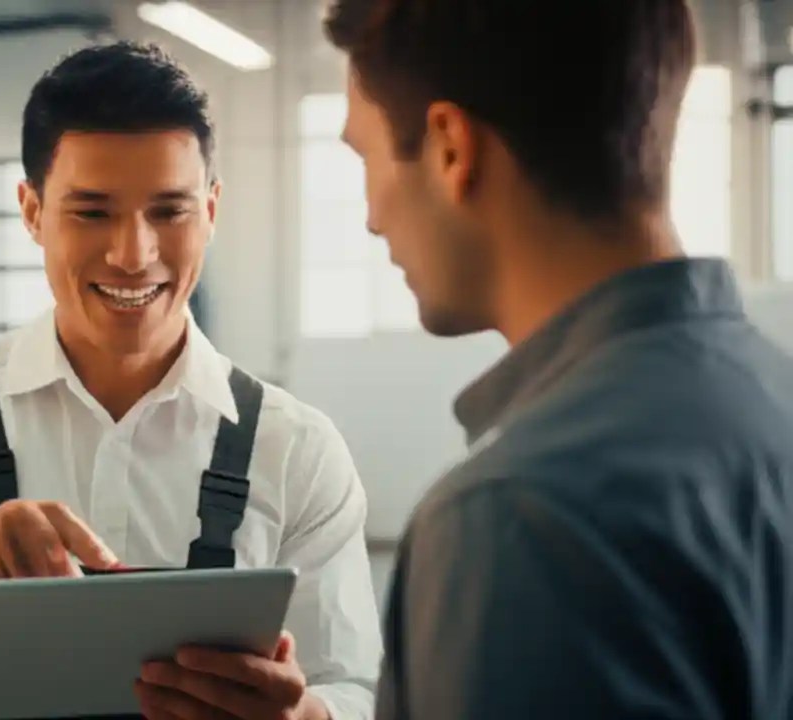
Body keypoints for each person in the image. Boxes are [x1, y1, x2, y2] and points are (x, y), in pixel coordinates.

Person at [0, 41, 383, 720]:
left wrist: (302, 714)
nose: (133, 255)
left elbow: (359, 690)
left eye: (168, 211)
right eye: (92, 212)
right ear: (31, 211)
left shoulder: (295, 450)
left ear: (211, 210)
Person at [324, 1, 793, 718]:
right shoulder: (770, 395)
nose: (371, 216)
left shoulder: (519, 519)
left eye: (366, 156)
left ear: (451, 148)